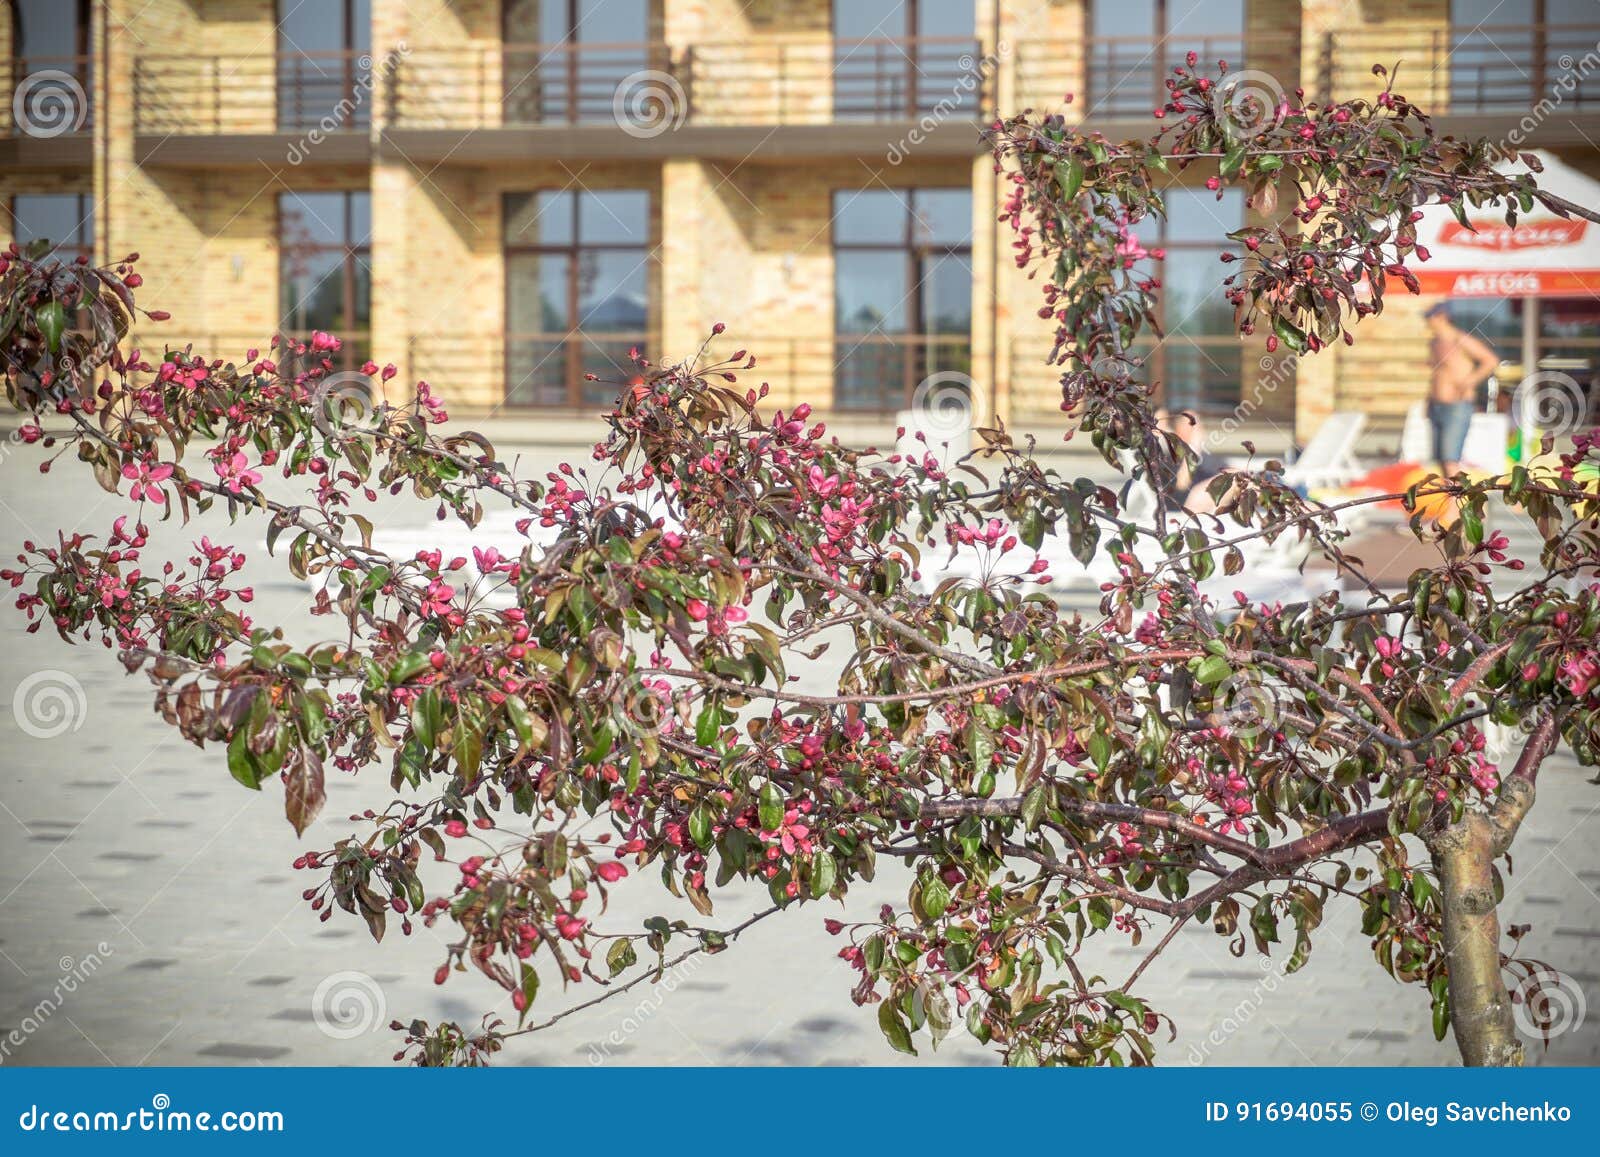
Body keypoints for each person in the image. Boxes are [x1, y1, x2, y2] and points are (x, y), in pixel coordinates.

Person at [1423, 303, 1499, 482]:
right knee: (1441, 460)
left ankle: (1455, 507)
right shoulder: (1435, 342)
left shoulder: (1460, 340)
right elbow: (1438, 374)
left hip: (1457, 405)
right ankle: (1450, 505)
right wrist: (1429, 400)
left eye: (1430, 317)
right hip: (1437, 406)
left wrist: (1470, 381)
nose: (1427, 321)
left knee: (1451, 459)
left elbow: (1490, 360)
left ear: (1442, 316)